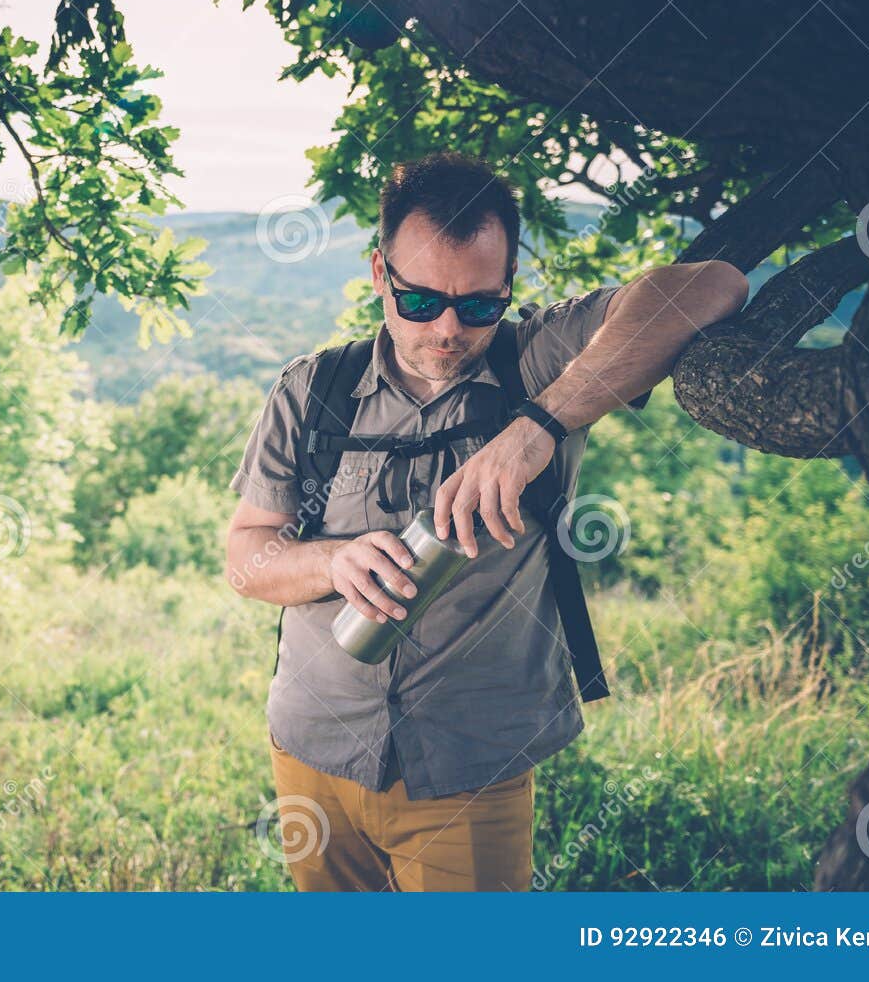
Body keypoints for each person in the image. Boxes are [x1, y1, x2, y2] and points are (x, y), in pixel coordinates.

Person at [223, 152, 748, 891]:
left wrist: (537, 428)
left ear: (507, 289)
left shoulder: (536, 360)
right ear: (380, 274)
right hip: (315, 752)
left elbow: (711, 286)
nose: (447, 329)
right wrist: (331, 562)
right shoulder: (313, 390)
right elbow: (247, 554)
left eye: (477, 305)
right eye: (420, 301)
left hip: (468, 771)